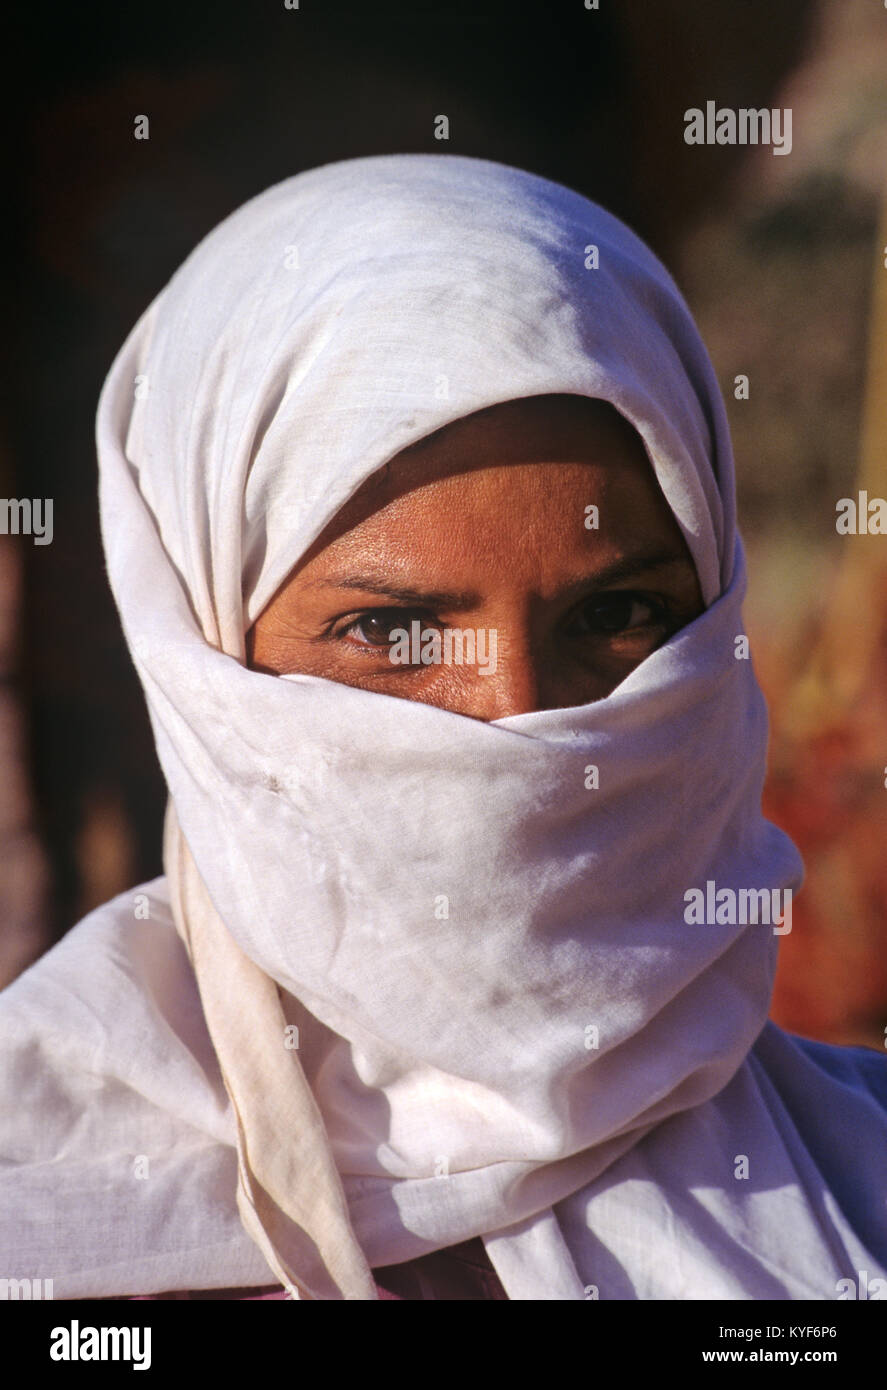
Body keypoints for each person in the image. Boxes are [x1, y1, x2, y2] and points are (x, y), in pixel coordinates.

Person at [1, 153, 885, 1302]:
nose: (517, 717)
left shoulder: (857, 1178)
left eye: (613, 615)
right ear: (201, 654)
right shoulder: (46, 1198)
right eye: (392, 629)